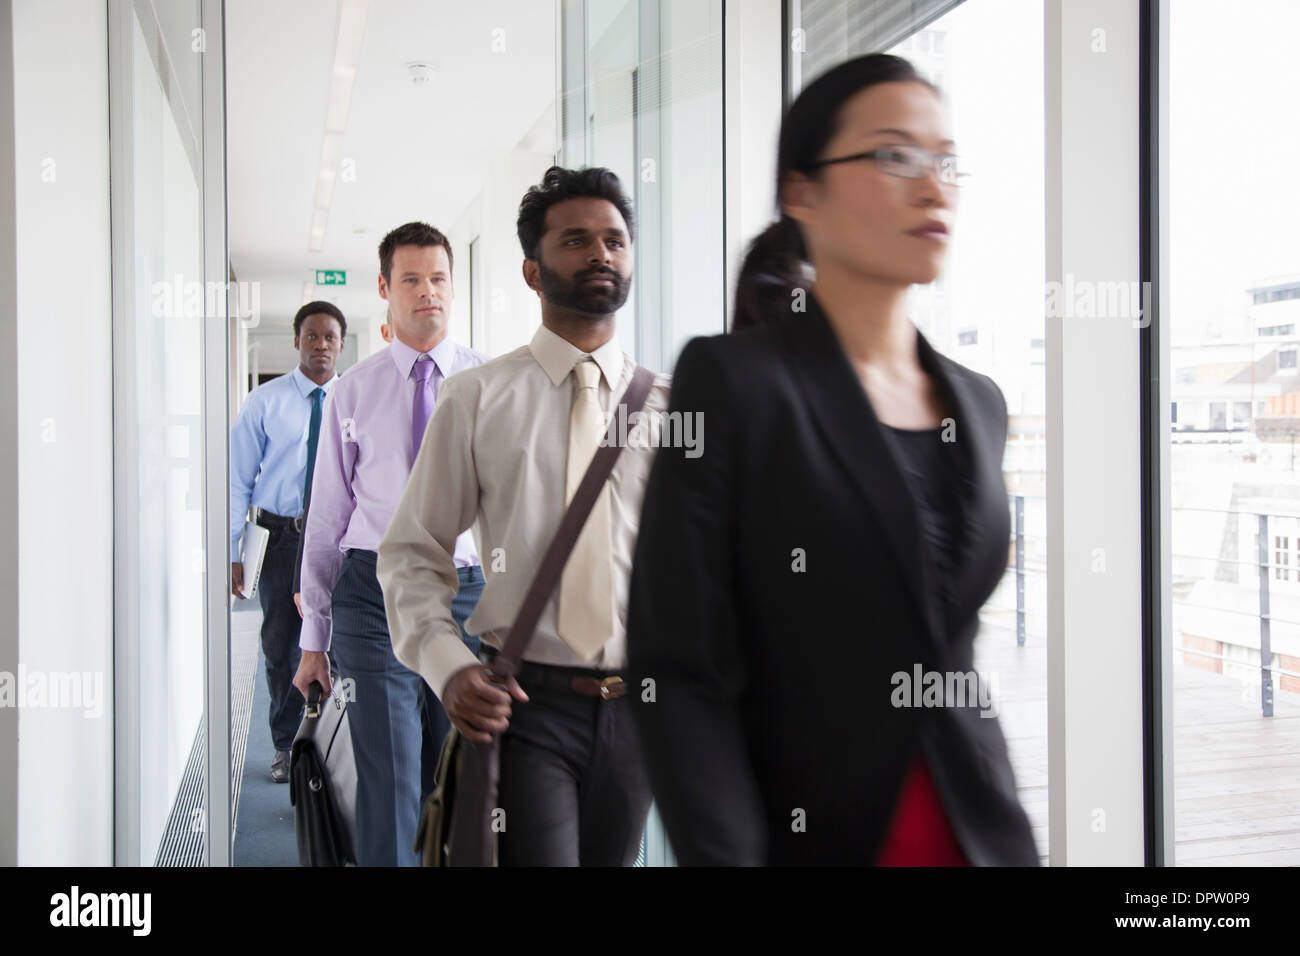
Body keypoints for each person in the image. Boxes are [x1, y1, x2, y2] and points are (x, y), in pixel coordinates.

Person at [626, 53, 1039, 866]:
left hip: (975, 824)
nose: (933, 186)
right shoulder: (733, 380)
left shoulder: (979, 402)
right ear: (800, 191)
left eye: (945, 161)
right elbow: (679, 671)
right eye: (894, 156)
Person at [379, 166, 670, 866]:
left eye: (615, 240)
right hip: (524, 704)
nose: (601, 253)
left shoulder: (675, 406)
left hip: (641, 708)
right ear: (533, 273)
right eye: (575, 240)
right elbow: (413, 553)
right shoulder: (477, 398)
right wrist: (448, 667)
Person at [291, 222, 486, 866]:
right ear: (384, 288)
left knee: (463, 781)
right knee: (393, 781)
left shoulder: (492, 383)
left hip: (468, 597)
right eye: (411, 279)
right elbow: (326, 519)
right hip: (373, 596)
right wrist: (314, 641)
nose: (427, 292)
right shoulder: (353, 391)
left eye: (438, 278)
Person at [230, 301, 344, 783]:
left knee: (340, 644)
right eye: (312, 336)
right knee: (282, 645)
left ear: (341, 344)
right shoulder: (265, 401)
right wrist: (232, 551)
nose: (321, 345)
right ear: (296, 341)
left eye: (330, 338)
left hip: (339, 538)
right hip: (281, 537)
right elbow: (236, 478)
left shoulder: (354, 398)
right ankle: (284, 745)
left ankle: (333, 745)